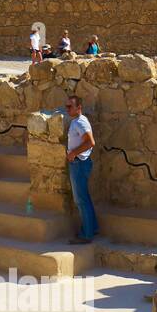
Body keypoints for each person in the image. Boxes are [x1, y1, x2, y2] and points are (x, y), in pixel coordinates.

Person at [65, 95, 97, 244]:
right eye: (67, 106)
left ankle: (86, 235)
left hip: (79, 164)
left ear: (79, 108)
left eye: (70, 106)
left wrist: (73, 153)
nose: (67, 109)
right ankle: (92, 228)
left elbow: (90, 142)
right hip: (80, 163)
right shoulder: (77, 121)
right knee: (84, 198)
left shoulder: (80, 122)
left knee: (80, 200)